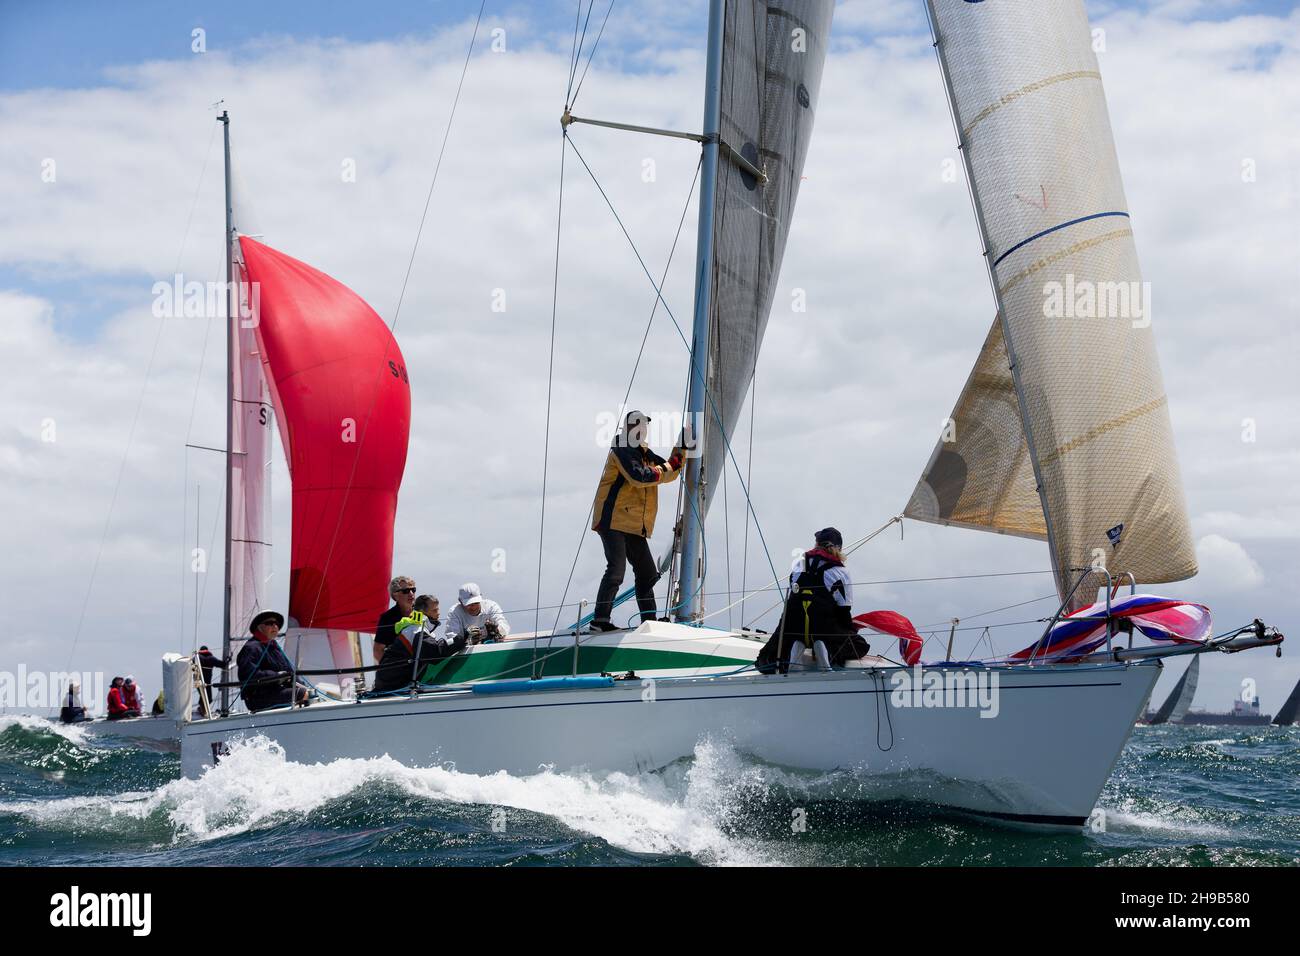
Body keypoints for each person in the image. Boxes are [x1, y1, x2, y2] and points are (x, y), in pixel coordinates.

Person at [589, 410, 683, 631]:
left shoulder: (645, 454)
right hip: (612, 520)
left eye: (643, 426)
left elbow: (670, 470)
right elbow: (639, 476)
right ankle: (600, 621)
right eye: (636, 425)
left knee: (647, 573)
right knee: (616, 570)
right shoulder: (621, 449)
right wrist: (663, 469)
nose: (640, 429)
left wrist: (682, 448)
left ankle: (649, 621)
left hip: (633, 524)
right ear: (627, 428)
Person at [757, 527, 869, 674]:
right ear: (839, 548)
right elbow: (844, 608)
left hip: (794, 625)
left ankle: (796, 648)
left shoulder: (798, 564)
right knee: (860, 645)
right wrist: (848, 629)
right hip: (822, 626)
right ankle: (825, 649)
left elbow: (794, 590)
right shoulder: (840, 571)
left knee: (767, 657)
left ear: (817, 544)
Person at [371, 600, 468, 694]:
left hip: (393, 683)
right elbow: (436, 651)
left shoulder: (419, 629)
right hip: (392, 686)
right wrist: (462, 638)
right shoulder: (416, 630)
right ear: (423, 613)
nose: (439, 613)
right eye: (434, 610)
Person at [237, 610, 310, 712]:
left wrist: (302, 684)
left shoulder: (274, 647)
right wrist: (277, 676)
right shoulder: (252, 647)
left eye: (277, 624)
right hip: (257, 697)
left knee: (310, 694)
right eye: (270, 623)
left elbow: (289, 671)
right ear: (259, 627)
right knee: (302, 694)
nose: (275, 626)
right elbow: (248, 675)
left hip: (276, 691)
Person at [444, 583, 510, 645]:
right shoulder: (454, 612)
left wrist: (497, 630)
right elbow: (452, 639)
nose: (473, 607)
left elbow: (505, 626)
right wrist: (469, 641)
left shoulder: (491, 606)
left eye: (476, 603)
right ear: (460, 601)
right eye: (469, 604)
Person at [374, 575, 417, 668]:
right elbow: (378, 650)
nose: (411, 593)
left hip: (420, 665)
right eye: (406, 591)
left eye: (413, 590)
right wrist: (389, 670)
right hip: (398, 667)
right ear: (395, 595)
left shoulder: (422, 611)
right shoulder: (387, 618)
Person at [195, 645, 229, 710]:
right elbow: (222, 664)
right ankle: (202, 710)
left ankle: (201, 709)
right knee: (208, 699)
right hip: (206, 682)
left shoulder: (197, 658)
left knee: (204, 697)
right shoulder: (210, 658)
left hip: (198, 681)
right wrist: (227, 659)